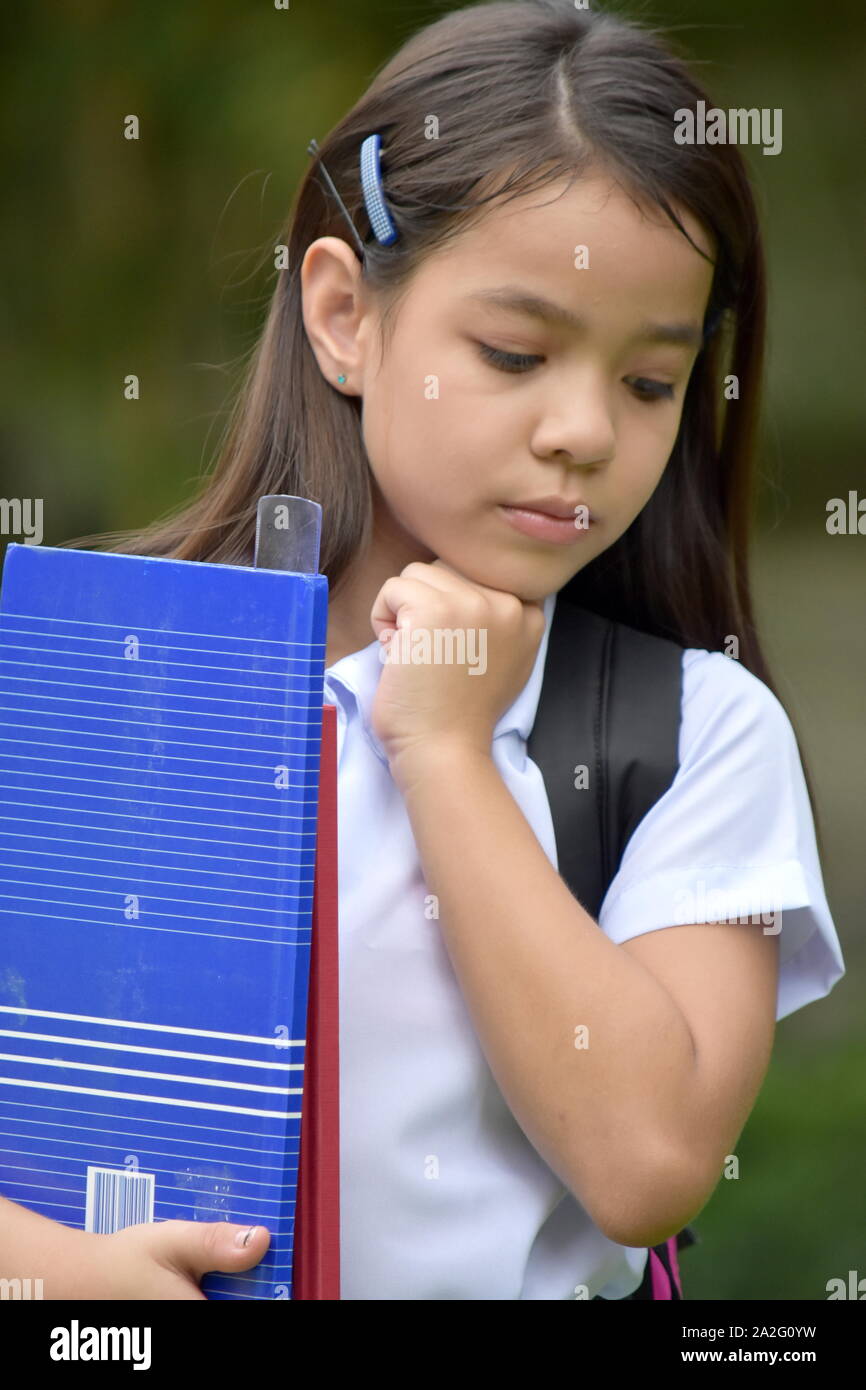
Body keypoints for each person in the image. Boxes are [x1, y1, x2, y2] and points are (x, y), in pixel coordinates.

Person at [1, 0, 845, 1299]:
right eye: (514, 352)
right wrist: (50, 1271)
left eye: (647, 382)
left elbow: (646, 1160)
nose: (580, 429)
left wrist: (445, 749)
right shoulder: (87, 669)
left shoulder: (694, 733)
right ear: (344, 315)